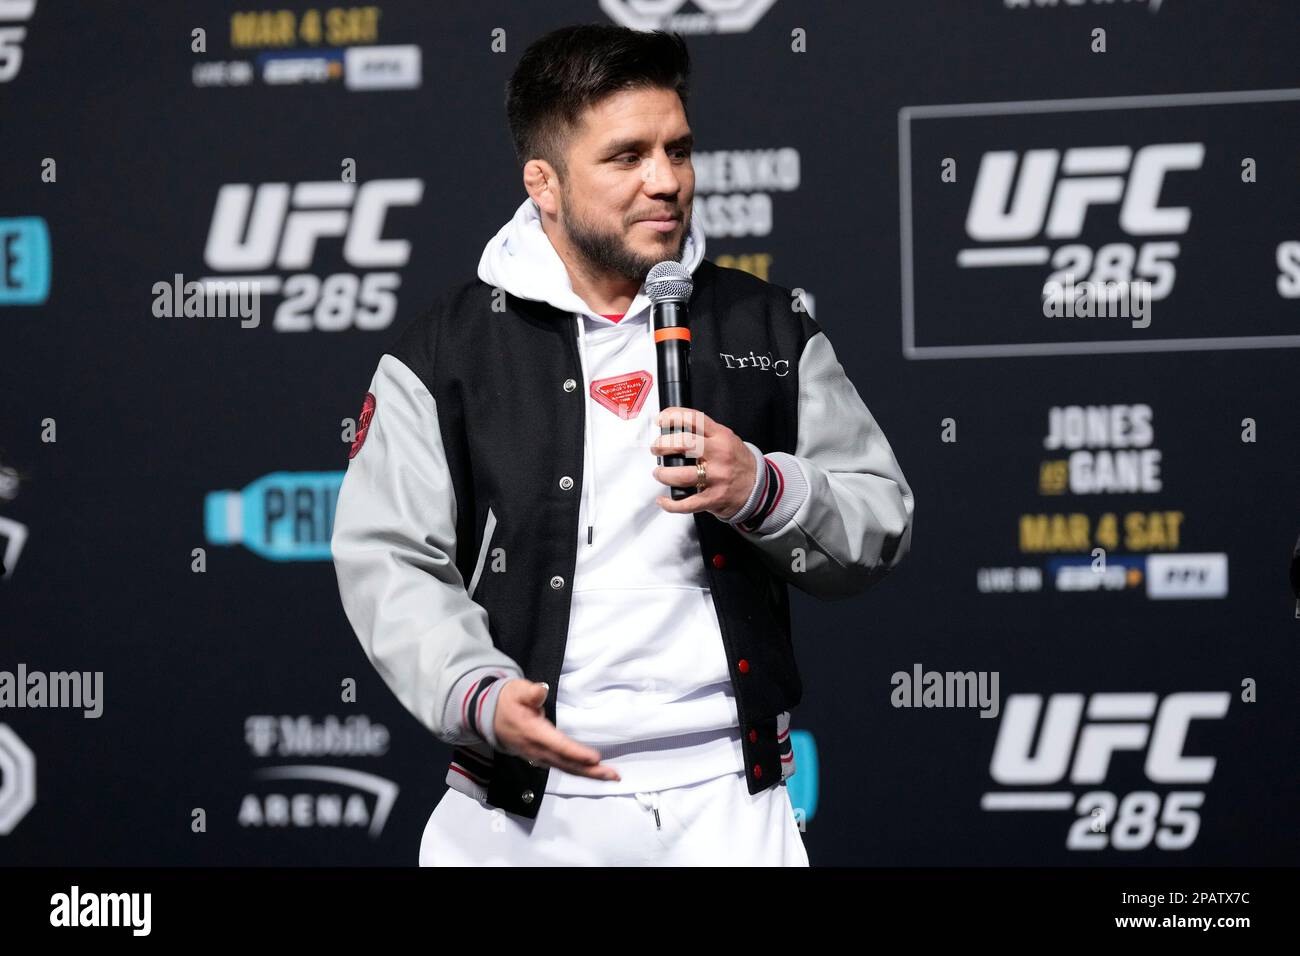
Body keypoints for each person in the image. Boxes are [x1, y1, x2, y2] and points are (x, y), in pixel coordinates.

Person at [330, 23, 914, 866]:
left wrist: (764, 487)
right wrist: (480, 695)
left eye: (679, 150)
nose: (666, 182)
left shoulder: (766, 325)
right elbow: (387, 558)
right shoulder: (447, 351)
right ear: (546, 184)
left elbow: (880, 517)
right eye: (626, 157)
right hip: (520, 810)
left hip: (731, 803)